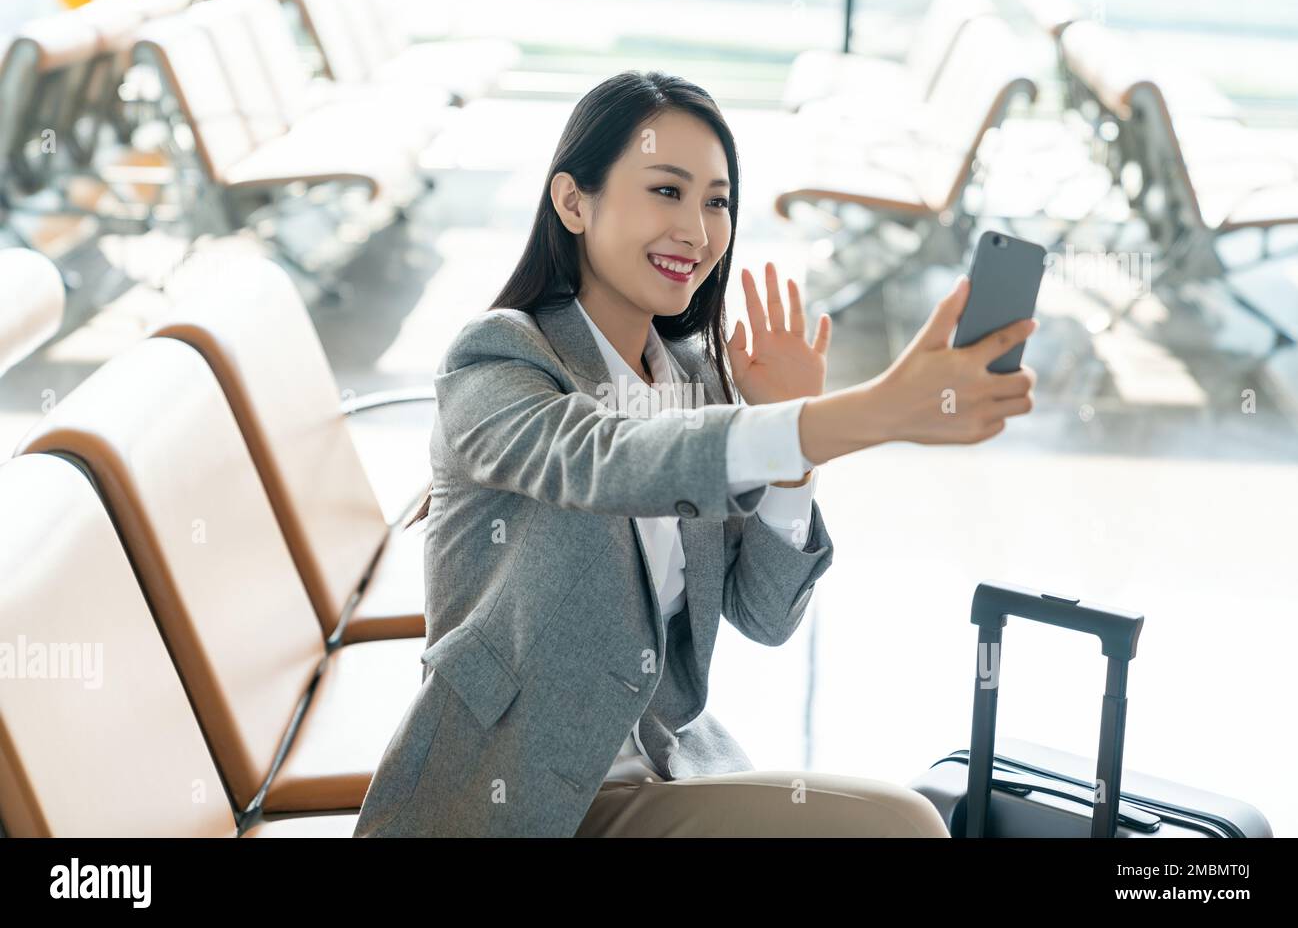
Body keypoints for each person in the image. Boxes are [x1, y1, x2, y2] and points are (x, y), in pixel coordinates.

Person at [352, 70, 1036, 838]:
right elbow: (608, 457)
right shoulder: (498, 360)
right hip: (515, 800)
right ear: (573, 201)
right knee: (899, 824)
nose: (699, 231)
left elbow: (764, 613)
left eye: (717, 201)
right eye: (667, 192)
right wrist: (855, 414)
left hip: (664, 772)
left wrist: (790, 456)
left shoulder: (696, 381)